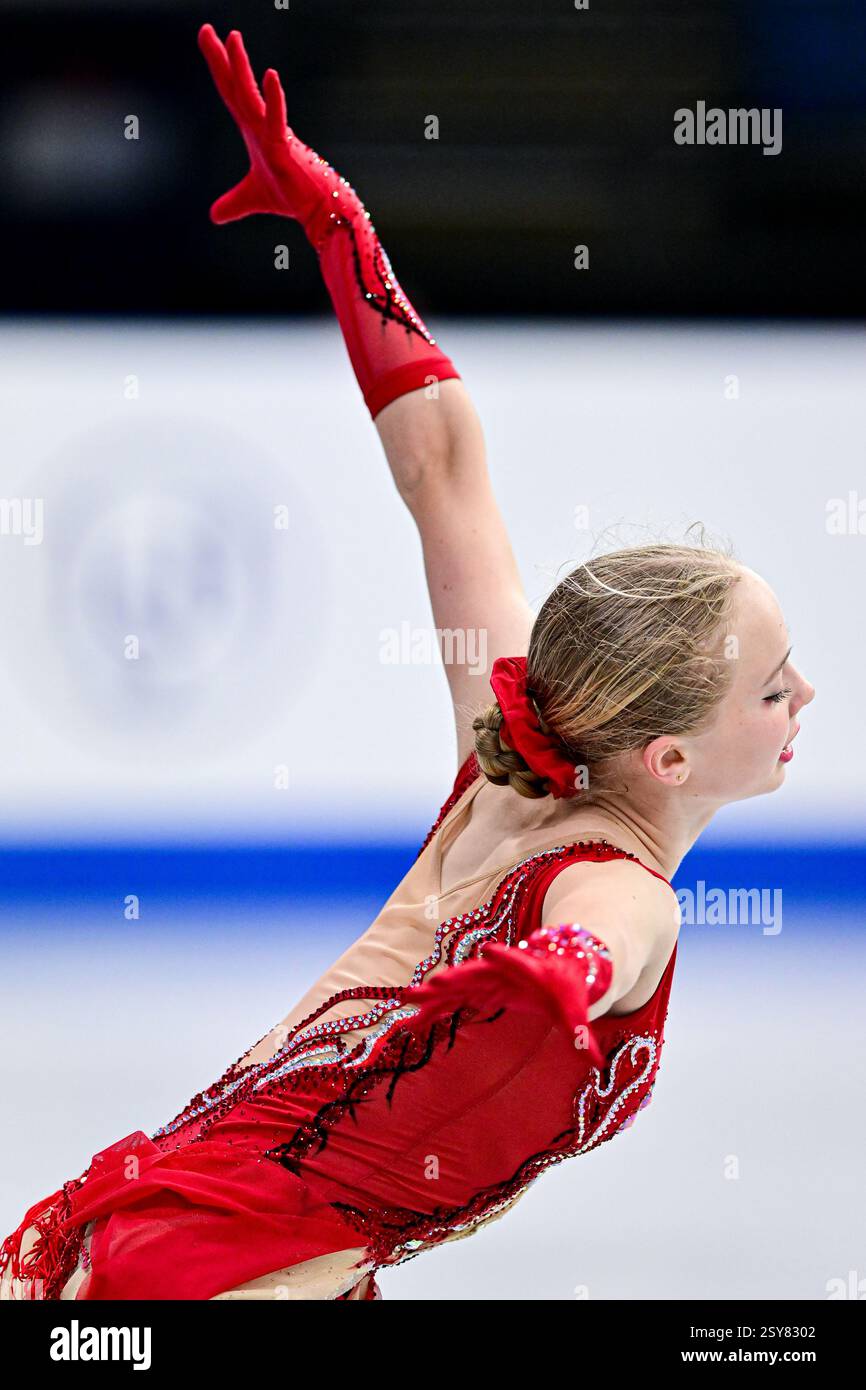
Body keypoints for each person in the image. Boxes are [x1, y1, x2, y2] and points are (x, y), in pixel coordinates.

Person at [0, 24, 815, 1302]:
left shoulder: (505, 764)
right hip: (231, 1265)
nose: (801, 701)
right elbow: (602, 933)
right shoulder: (621, 887)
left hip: (184, 1212)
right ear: (665, 755)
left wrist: (338, 228)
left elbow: (441, 473)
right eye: (772, 687)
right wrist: (556, 975)